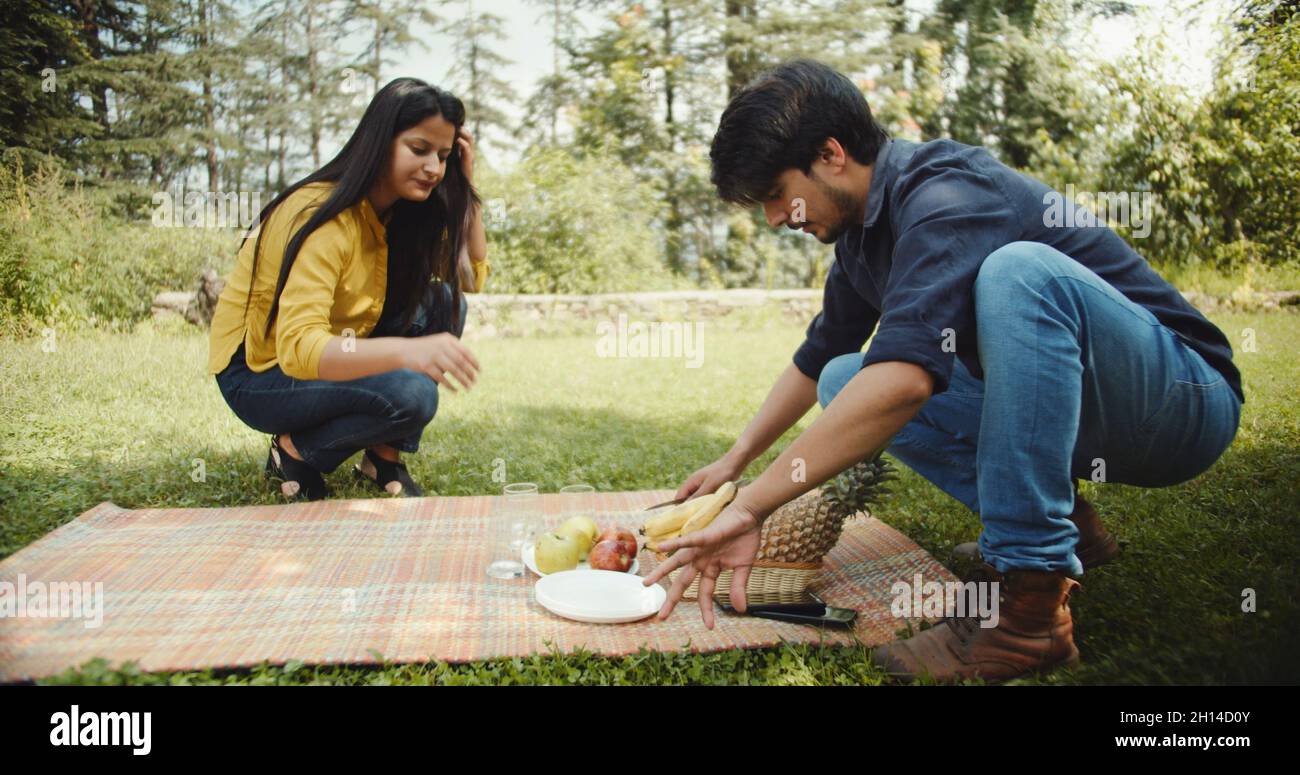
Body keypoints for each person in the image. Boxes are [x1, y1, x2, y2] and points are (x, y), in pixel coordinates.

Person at [643, 59, 1243, 683]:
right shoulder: (858, 239)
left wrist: (751, 510)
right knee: (844, 378)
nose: (775, 218)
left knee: (1020, 275)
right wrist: (734, 464)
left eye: (776, 194)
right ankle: (1069, 530)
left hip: (1181, 402)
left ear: (831, 154)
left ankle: (1029, 609)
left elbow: (905, 381)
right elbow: (818, 356)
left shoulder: (947, 193)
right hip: (1092, 417)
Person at [207, 78, 486, 501]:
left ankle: (382, 457)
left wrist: (465, 183)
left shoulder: (398, 212)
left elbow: (469, 277)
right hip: (260, 373)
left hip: (335, 347)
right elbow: (299, 347)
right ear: (379, 141)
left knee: (445, 304)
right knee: (412, 393)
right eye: (419, 149)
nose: (434, 168)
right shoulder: (323, 216)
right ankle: (294, 451)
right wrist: (407, 353)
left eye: (444, 156)